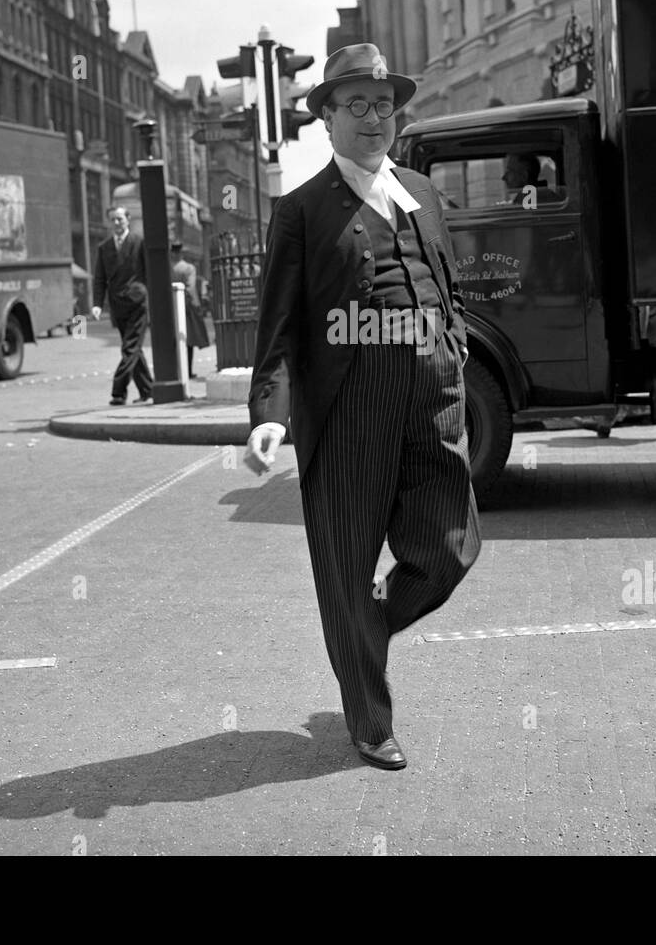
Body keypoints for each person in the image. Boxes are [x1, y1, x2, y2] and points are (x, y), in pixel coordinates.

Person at [245, 42, 481, 772]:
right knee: (346, 562)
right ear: (326, 117)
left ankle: (363, 627)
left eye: (384, 105)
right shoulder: (302, 210)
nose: (374, 117)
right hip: (350, 403)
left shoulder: (420, 189)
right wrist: (269, 413)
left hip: (433, 392)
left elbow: (446, 281)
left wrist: (457, 340)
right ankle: (370, 720)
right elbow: (279, 326)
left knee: (451, 548)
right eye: (357, 105)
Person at [91, 206, 152, 405]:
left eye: (120, 219)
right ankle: (148, 390)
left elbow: (149, 272)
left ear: (128, 219)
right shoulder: (104, 247)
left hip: (137, 303)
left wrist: (151, 299)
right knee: (134, 350)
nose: (116, 223)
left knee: (129, 347)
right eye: (113, 220)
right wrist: (97, 304)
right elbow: (100, 278)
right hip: (117, 305)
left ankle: (118, 391)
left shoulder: (139, 242)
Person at [170, 242, 210, 380]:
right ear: (181, 253)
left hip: (169, 309)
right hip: (186, 309)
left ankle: (175, 371)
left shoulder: (166, 267)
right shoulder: (188, 268)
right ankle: (187, 371)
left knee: (174, 341)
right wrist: (196, 306)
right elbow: (190, 288)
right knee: (188, 341)